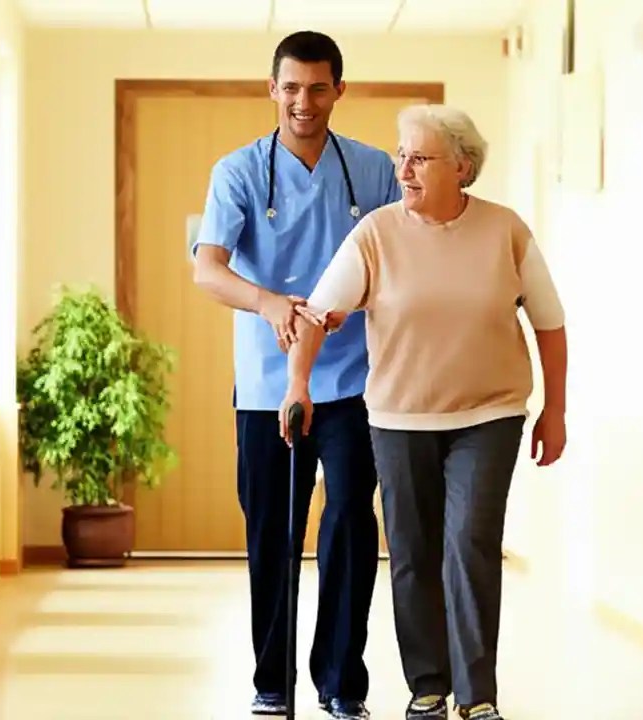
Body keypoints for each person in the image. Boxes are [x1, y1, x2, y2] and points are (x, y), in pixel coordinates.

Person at [278, 104, 569, 720]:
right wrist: (297, 382)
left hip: (489, 413)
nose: (402, 169)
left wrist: (555, 410)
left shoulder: (504, 231)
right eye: (399, 156)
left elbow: (549, 323)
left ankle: (478, 694)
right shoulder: (377, 234)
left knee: (470, 544)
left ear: (461, 168)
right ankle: (428, 687)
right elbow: (318, 314)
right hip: (399, 417)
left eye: (418, 158)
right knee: (411, 553)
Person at [191, 30, 400, 720]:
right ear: (271, 89)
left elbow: (399, 262)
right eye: (291, 87)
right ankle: (272, 680)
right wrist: (268, 300)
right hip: (265, 385)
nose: (303, 102)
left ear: (339, 90)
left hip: (353, 383)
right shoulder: (239, 172)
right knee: (272, 534)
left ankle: (341, 682)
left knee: (348, 522)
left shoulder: (372, 172)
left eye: (317, 87)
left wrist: (358, 302)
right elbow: (208, 268)